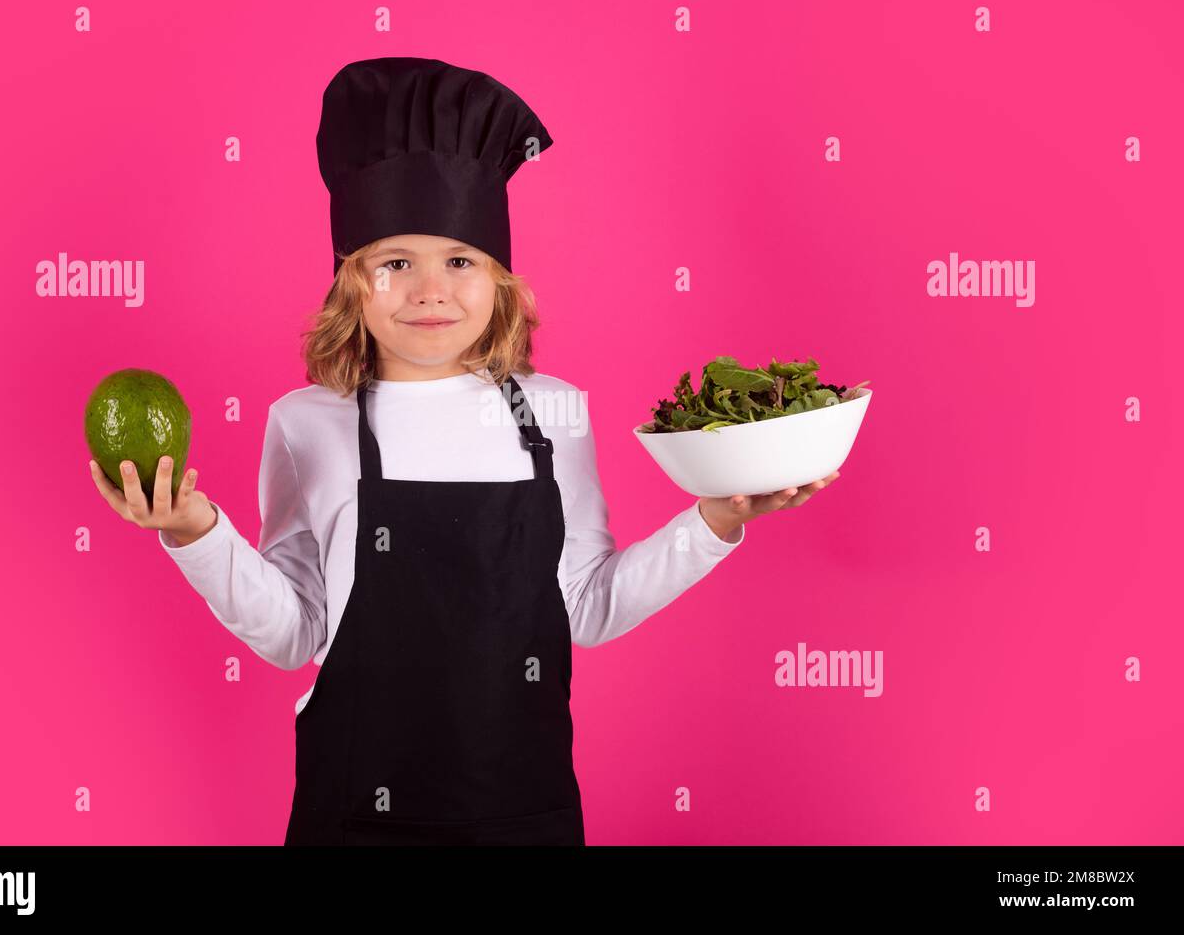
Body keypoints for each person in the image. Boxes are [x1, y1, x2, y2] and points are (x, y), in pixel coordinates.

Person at [87, 56, 838, 845]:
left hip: (525, 816)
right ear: (352, 282)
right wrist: (193, 531)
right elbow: (298, 632)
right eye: (395, 263)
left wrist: (713, 521)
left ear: (499, 279)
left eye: (460, 261)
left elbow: (589, 607)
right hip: (354, 817)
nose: (430, 290)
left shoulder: (554, 415)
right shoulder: (304, 422)